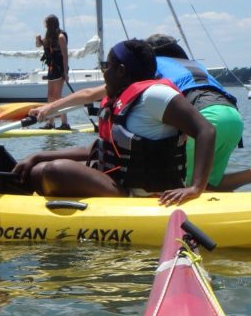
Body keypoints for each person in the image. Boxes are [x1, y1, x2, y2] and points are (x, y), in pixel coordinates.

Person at [26, 34, 251, 192]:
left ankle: (193, 199)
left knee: (193, 186)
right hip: (232, 117)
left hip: (204, 117)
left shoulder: (149, 74)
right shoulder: (191, 63)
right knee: (207, 184)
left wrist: (49, 107)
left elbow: (90, 94)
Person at [13, 39, 215, 206]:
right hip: (115, 180)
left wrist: (196, 187)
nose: (103, 71)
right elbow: (98, 148)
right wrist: (36, 156)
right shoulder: (121, 96)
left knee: (53, 171)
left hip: (140, 194)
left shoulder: (156, 95)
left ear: (121, 71)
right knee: (38, 170)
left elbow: (205, 130)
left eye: (106, 66)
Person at [35, 14, 71, 130]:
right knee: (50, 96)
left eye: (46, 23)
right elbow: (38, 45)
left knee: (57, 97)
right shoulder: (49, 37)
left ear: (50, 24)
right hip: (51, 68)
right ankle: (50, 122)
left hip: (59, 69)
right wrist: (37, 38)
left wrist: (65, 72)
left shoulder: (60, 37)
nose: (44, 25)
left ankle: (65, 123)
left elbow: (65, 56)